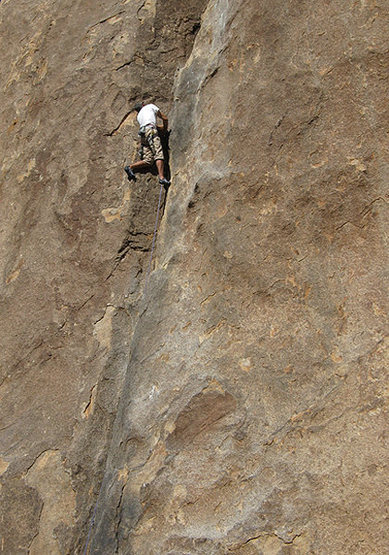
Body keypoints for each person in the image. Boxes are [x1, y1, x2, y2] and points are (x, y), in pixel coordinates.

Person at [124, 102, 170, 186]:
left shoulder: (139, 116)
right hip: (150, 131)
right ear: (143, 105)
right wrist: (165, 130)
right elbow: (165, 118)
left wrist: (160, 128)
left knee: (148, 160)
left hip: (143, 134)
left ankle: (130, 167)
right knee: (158, 154)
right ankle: (161, 177)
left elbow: (149, 124)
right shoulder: (150, 106)